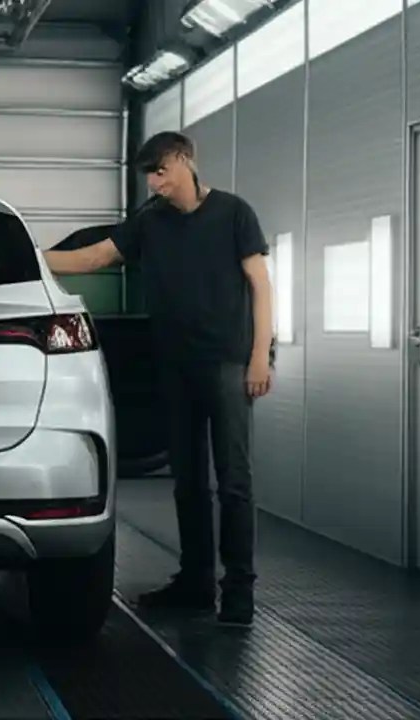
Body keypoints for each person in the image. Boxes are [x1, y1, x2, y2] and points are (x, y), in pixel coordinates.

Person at [45, 132, 273, 626]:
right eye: (149, 173)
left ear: (184, 160)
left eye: (161, 170)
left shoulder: (234, 213)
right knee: (188, 484)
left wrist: (260, 357)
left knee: (234, 481)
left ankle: (238, 592)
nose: (156, 181)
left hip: (228, 364)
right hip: (175, 367)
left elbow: (260, 285)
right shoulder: (150, 221)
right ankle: (195, 584)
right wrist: (24, 254)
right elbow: (94, 258)